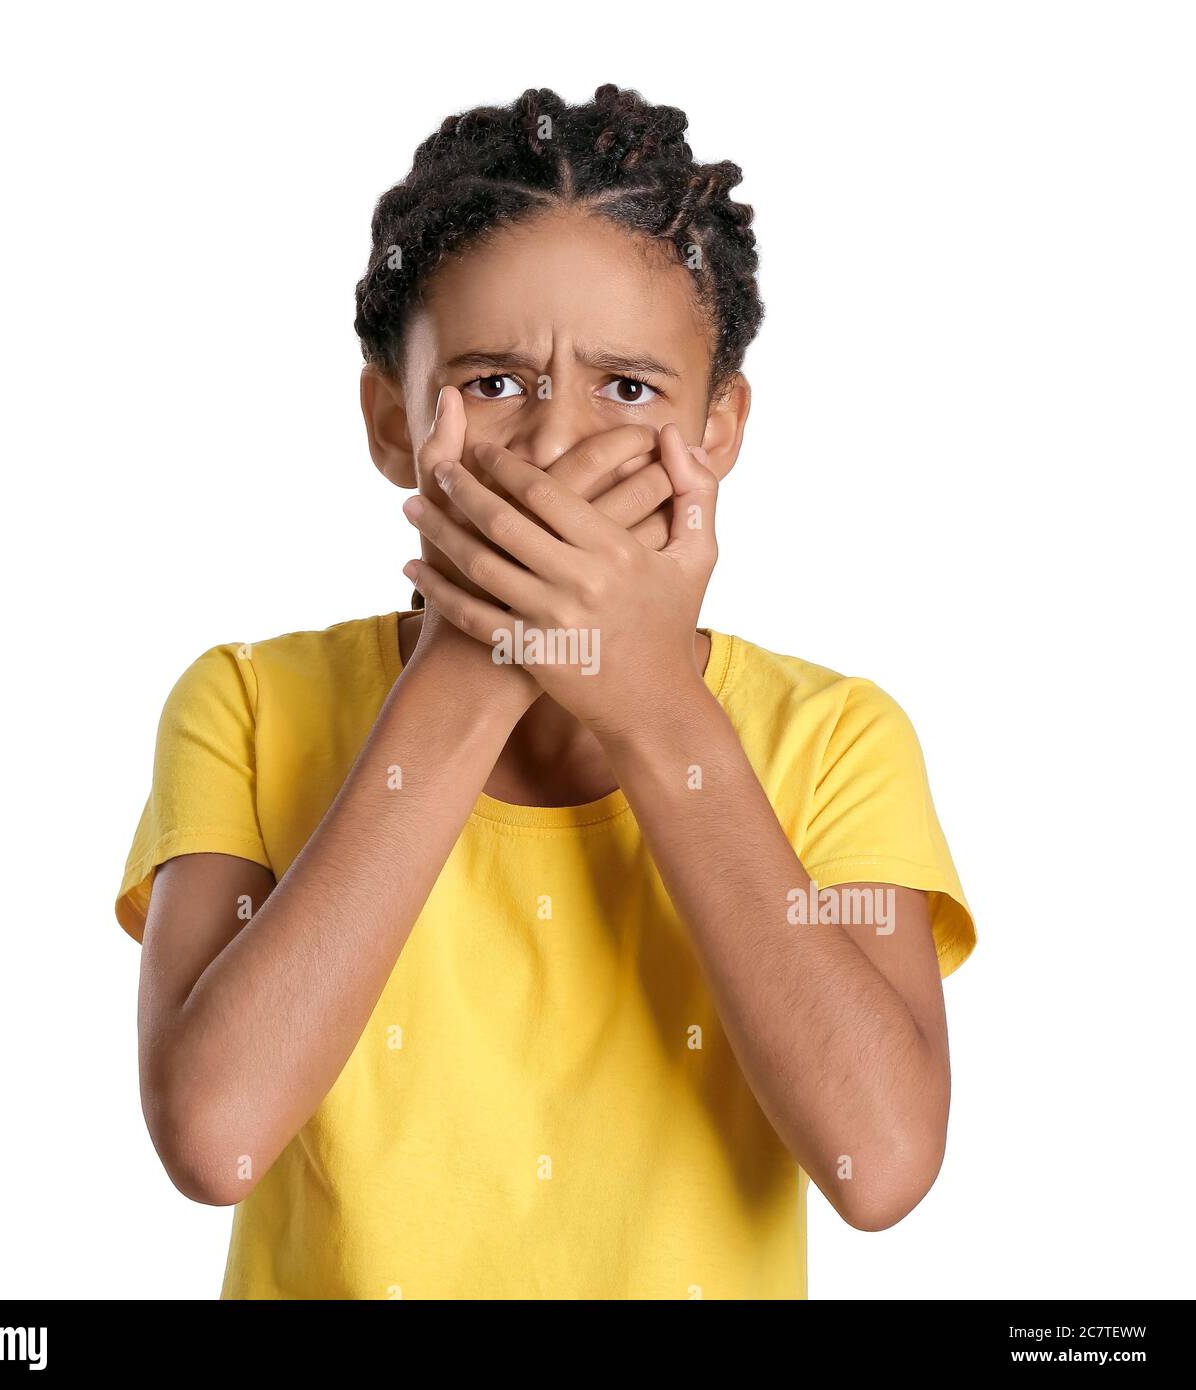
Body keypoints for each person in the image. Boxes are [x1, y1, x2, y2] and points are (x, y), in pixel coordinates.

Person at [115, 84, 975, 1300]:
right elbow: (215, 1138)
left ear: (718, 426)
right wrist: (474, 672)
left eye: (628, 390)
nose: (554, 448)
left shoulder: (834, 739)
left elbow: (879, 1164)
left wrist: (652, 707)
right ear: (389, 419)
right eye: (495, 382)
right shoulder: (247, 705)